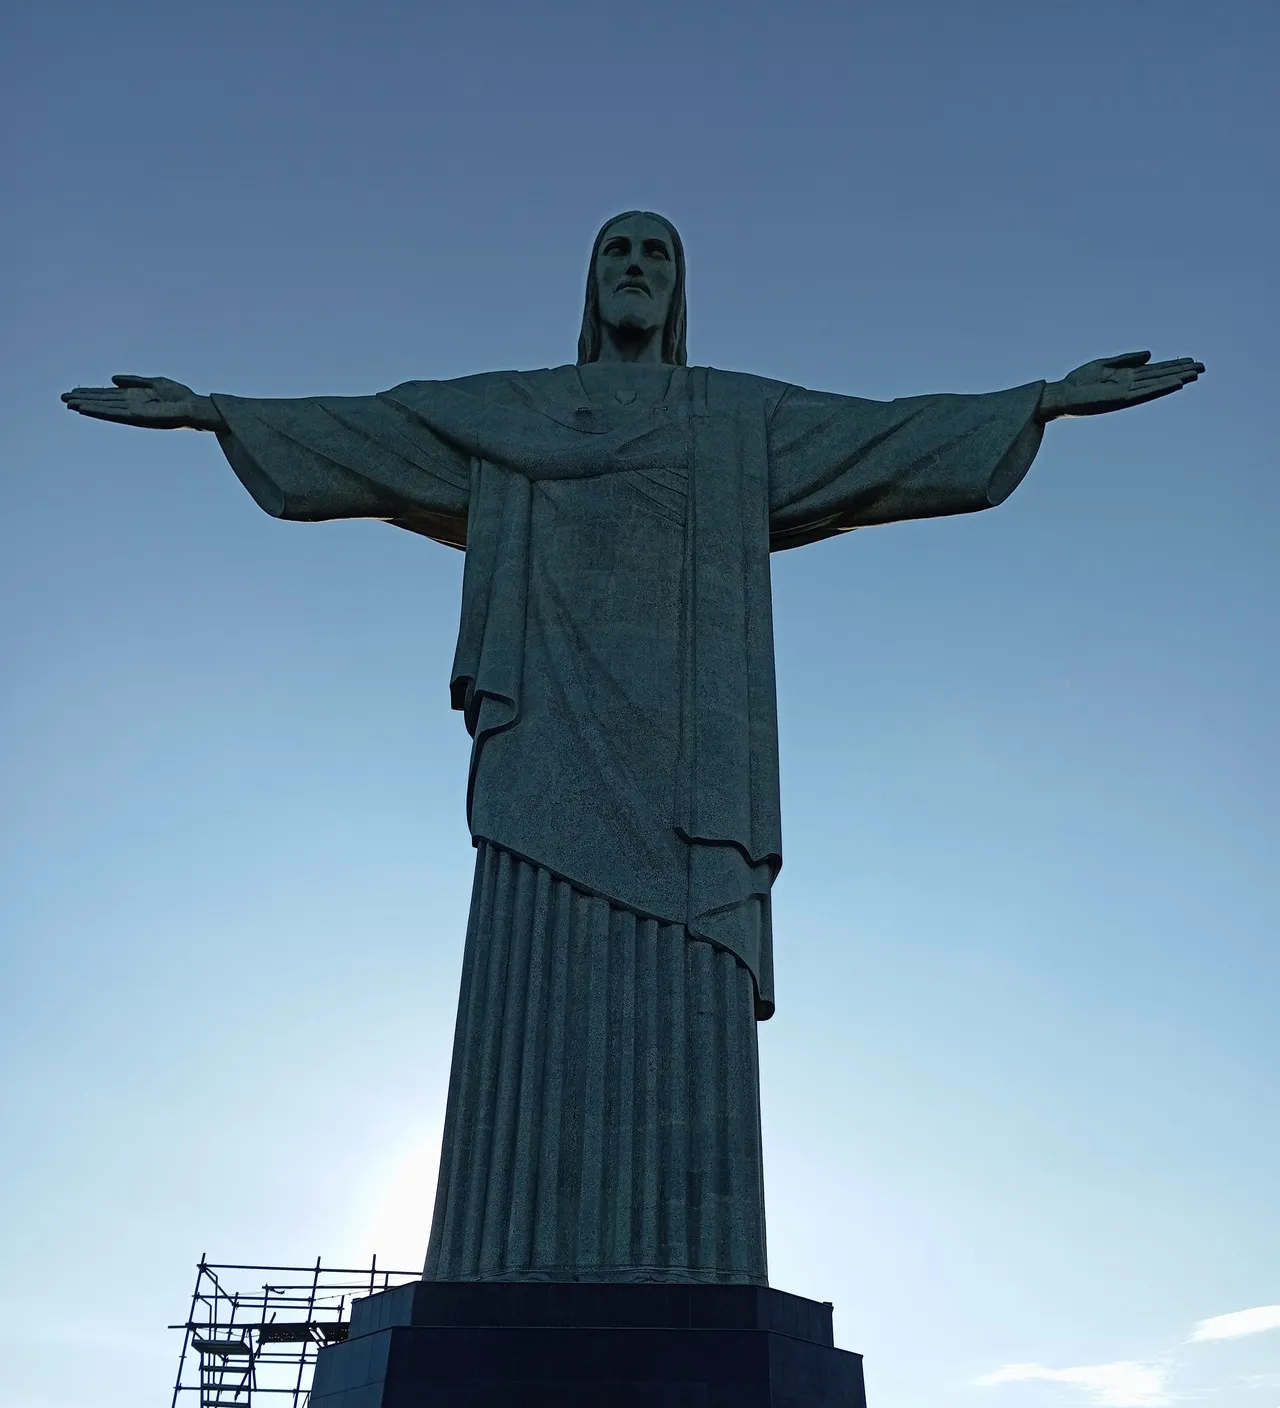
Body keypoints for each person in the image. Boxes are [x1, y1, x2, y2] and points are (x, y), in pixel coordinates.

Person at [63, 211, 1203, 1285]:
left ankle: (687, 1264)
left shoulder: (732, 419)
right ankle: (500, 1257)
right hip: (543, 746)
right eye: (618, 249)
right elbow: (371, 429)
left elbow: (885, 435)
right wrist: (215, 411)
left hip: (690, 773)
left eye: (657, 252)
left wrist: (1043, 400)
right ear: (589, 279)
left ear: (679, 288)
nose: (637, 267)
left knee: (684, 1013)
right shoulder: (506, 412)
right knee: (527, 987)